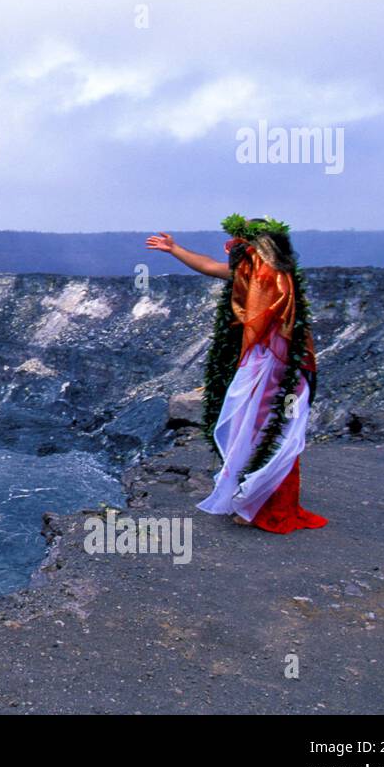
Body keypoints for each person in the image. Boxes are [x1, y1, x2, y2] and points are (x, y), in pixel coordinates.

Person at [146, 215, 327, 533]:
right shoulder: (257, 270)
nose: (238, 252)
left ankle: (264, 505)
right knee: (255, 428)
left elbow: (257, 305)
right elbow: (213, 267)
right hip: (266, 362)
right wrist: (174, 249)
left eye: (244, 246)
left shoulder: (272, 276)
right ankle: (252, 499)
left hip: (276, 367)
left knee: (270, 429)